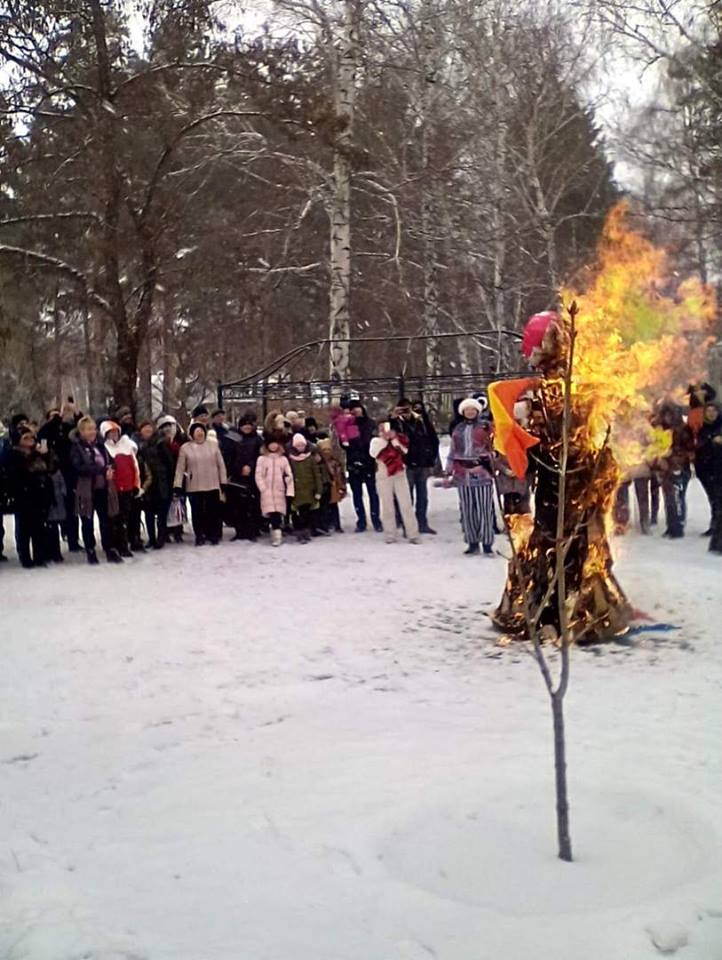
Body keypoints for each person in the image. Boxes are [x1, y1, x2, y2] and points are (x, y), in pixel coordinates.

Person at [70, 416, 123, 564]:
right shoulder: (77, 447)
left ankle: (109, 548)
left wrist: (111, 468)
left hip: (103, 488)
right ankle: (90, 549)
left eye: (93, 428)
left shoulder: (100, 445)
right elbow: (78, 467)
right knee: (87, 521)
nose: (92, 432)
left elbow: (111, 461)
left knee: (106, 520)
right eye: (88, 429)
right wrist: (100, 470)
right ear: (81, 431)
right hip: (87, 489)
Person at [447, 398, 496, 555]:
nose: (470, 412)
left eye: (472, 409)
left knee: (484, 509)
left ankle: (487, 542)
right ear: (463, 412)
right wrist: (449, 468)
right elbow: (453, 449)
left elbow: (495, 445)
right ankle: (472, 541)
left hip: (482, 472)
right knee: (467, 509)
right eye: (467, 410)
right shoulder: (458, 429)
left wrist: (490, 456)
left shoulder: (485, 426)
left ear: (477, 411)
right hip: (463, 474)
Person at [173, 422, 227, 546]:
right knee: (197, 512)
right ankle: (199, 535)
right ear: (192, 434)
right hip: (194, 485)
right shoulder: (186, 448)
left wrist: (223, 482)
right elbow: (180, 468)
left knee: (212, 511)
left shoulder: (213, 445)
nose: (200, 433)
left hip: (212, 484)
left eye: (201, 431)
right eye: (197, 431)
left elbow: (221, 465)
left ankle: (213, 534)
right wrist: (177, 484)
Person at [391, 398, 439, 534]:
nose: (405, 412)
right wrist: (392, 418)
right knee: (407, 497)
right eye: (402, 409)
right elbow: (387, 436)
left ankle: (422, 523)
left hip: (422, 462)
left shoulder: (421, 421)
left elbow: (433, 439)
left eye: (407, 408)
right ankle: (408, 525)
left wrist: (431, 458)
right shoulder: (396, 423)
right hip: (405, 464)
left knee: (422, 495)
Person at [8, 427, 54, 568]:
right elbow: (20, 473)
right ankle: (25, 557)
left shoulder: (38, 453)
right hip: (24, 495)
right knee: (24, 528)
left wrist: (45, 455)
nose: (30, 441)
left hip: (40, 493)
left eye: (31, 438)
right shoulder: (14, 454)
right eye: (26, 438)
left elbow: (50, 468)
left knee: (39, 527)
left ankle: (40, 555)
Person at [370, 421, 420, 545]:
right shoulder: (376, 441)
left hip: (399, 473)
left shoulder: (399, 439)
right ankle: (390, 534)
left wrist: (394, 440)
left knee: (406, 504)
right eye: (382, 429)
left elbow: (404, 451)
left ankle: (413, 533)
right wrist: (384, 440)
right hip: (383, 474)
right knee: (387, 506)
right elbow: (373, 453)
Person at [652, 400, 695, 538]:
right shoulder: (660, 429)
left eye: (671, 414)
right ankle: (671, 526)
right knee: (669, 498)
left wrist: (674, 455)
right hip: (665, 468)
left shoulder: (683, 429)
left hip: (680, 468)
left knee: (678, 497)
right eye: (665, 414)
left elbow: (689, 449)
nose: (668, 417)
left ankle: (678, 526)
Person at [101, 420, 142, 558]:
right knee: (114, 518)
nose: (114, 435)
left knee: (125, 518)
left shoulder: (127, 446)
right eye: (110, 432)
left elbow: (135, 467)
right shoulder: (104, 448)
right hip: (114, 488)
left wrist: (136, 484)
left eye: (115, 431)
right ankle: (115, 545)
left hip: (128, 487)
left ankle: (124, 545)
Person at [226, 412, 264, 541]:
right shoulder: (233, 438)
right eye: (244, 425)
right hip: (237, 477)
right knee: (237, 505)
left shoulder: (257, 439)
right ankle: (240, 531)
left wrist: (250, 467)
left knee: (253, 505)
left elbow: (260, 456)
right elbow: (229, 456)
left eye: (249, 425)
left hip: (253, 476)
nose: (247, 427)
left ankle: (253, 530)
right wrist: (238, 469)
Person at [345, 401, 382, 533]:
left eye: (357, 408)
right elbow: (344, 444)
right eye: (352, 409)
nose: (355, 411)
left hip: (369, 462)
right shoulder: (347, 424)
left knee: (373, 493)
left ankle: (376, 519)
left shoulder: (370, 423)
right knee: (357, 494)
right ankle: (361, 521)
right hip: (353, 462)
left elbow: (375, 441)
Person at [255, 431, 294, 547]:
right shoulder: (262, 459)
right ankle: (273, 533)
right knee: (270, 513)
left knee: (278, 513)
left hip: (279, 490)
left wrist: (288, 481)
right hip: (267, 491)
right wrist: (262, 488)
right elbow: (259, 475)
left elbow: (289, 473)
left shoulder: (283, 459)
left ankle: (277, 535)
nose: (273, 446)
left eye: (275, 443)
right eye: (271, 444)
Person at [156, 414, 187, 543]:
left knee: (180, 503)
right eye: (164, 427)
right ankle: (164, 532)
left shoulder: (182, 440)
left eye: (170, 426)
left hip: (180, 476)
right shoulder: (159, 443)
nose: (168, 429)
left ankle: (178, 530)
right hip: (165, 478)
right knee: (164, 506)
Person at [288, 432, 323, 543]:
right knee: (296, 514)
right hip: (296, 491)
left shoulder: (310, 459)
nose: (300, 448)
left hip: (309, 490)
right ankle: (299, 531)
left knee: (307, 513)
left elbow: (316, 475)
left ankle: (306, 531)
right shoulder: (291, 459)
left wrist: (318, 490)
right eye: (298, 446)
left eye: (302, 445)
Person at [696, 401, 722, 546]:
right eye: (708, 411)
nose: (711, 413)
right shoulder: (703, 429)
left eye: (714, 411)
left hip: (719, 471)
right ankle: (715, 528)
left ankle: (718, 536)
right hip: (706, 472)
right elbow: (699, 448)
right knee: (714, 501)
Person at [317, 437, 347, 533]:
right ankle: (326, 524)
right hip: (324, 486)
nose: (326, 452)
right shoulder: (319, 463)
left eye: (328, 450)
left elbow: (340, 475)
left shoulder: (335, 462)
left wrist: (342, 486)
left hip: (334, 486)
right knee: (324, 506)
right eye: (324, 450)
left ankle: (336, 524)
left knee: (334, 506)